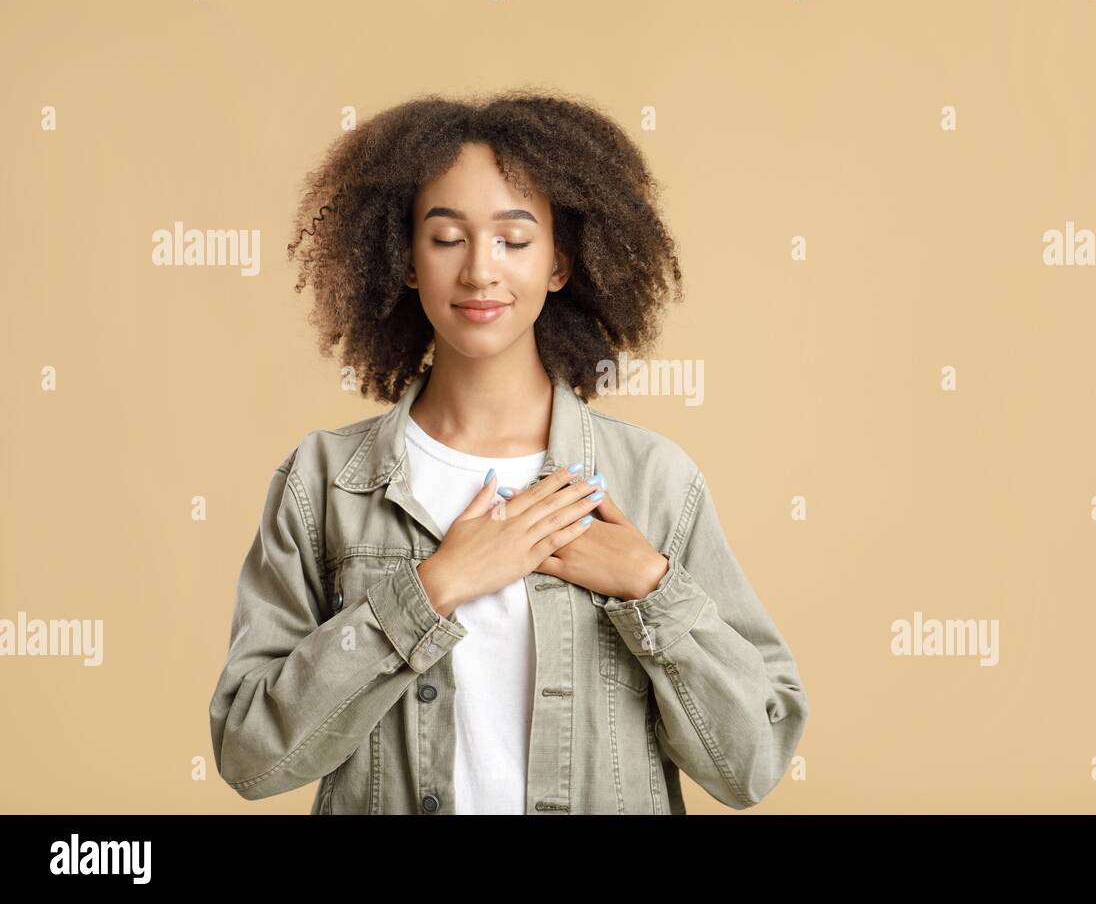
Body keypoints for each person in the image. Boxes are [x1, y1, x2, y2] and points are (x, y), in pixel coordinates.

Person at [208, 90, 809, 814]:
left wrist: (650, 586)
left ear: (559, 264)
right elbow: (250, 755)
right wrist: (430, 592)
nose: (480, 271)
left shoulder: (655, 481)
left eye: (514, 240)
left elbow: (751, 764)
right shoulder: (325, 482)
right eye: (446, 237)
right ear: (404, 260)